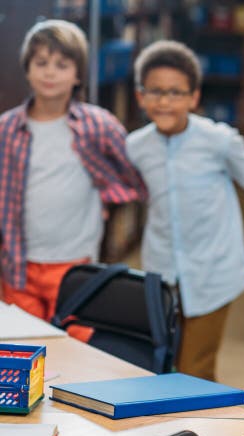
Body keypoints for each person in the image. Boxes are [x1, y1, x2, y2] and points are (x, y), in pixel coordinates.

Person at [126, 40, 244, 382]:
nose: (165, 101)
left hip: (214, 271)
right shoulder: (135, 147)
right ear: (140, 96)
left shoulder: (219, 141)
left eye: (175, 92)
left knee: (194, 368)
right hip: (162, 271)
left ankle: (198, 432)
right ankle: (180, 428)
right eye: (155, 91)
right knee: (163, 362)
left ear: (194, 97)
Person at [0, 19, 145, 320]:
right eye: (41, 62)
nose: (50, 72)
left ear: (78, 74)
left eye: (62, 64)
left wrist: (110, 195)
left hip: (76, 263)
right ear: (27, 68)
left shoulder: (98, 125)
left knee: (75, 348)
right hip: (18, 264)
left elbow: (135, 171)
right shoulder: (7, 128)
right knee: (26, 351)